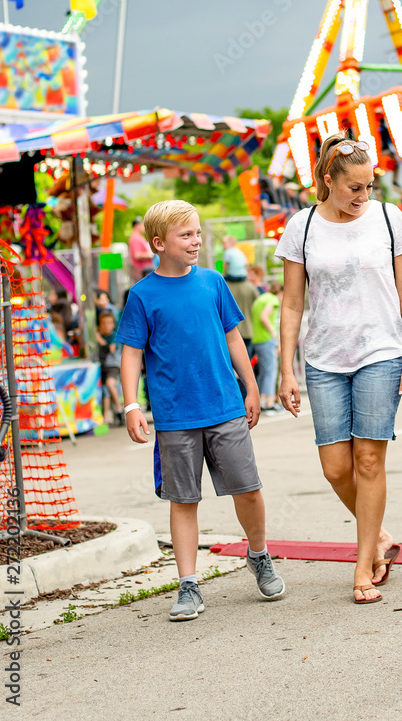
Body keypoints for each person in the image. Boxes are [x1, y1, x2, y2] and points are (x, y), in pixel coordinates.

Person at [117, 200, 285, 621]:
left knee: (248, 489)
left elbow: (233, 341)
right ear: (159, 243)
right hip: (175, 417)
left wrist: (251, 387)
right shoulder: (142, 295)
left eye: (197, 233)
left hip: (225, 406)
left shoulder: (213, 283)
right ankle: (189, 585)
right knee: (183, 500)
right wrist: (132, 405)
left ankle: (259, 554)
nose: (196, 241)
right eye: (186, 235)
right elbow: (131, 354)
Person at [275, 133, 402, 605]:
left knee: (368, 460)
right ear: (327, 180)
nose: (364, 196)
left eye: (370, 186)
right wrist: (286, 368)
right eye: (354, 187)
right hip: (323, 357)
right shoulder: (302, 225)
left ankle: (363, 567)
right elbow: (293, 302)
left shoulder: (388, 217)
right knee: (335, 468)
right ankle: (377, 538)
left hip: (381, 350)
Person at [222, 237, 259, 357]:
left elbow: (226, 265)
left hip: (230, 332)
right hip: (248, 331)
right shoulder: (240, 253)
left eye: (224, 243)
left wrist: (224, 275)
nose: (223, 246)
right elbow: (247, 265)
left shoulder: (228, 253)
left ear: (230, 243)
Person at [252, 281, 283, 412]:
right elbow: (264, 317)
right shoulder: (273, 300)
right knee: (271, 371)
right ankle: (270, 403)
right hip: (267, 339)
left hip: (257, 339)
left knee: (263, 372)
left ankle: (260, 401)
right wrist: (274, 334)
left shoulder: (261, 298)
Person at [96, 309, 123, 425]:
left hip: (113, 366)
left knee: (110, 384)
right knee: (105, 391)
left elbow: (110, 349)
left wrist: (99, 339)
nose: (106, 326)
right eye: (104, 323)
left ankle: (118, 407)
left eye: (109, 323)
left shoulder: (114, 336)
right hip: (104, 367)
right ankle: (106, 416)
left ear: (113, 324)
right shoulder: (101, 336)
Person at [128, 217, 155, 283]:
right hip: (141, 272)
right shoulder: (135, 238)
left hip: (145, 271)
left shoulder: (139, 237)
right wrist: (150, 255)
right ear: (136, 226)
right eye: (141, 224)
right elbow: (137, 255)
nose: (143, 227)